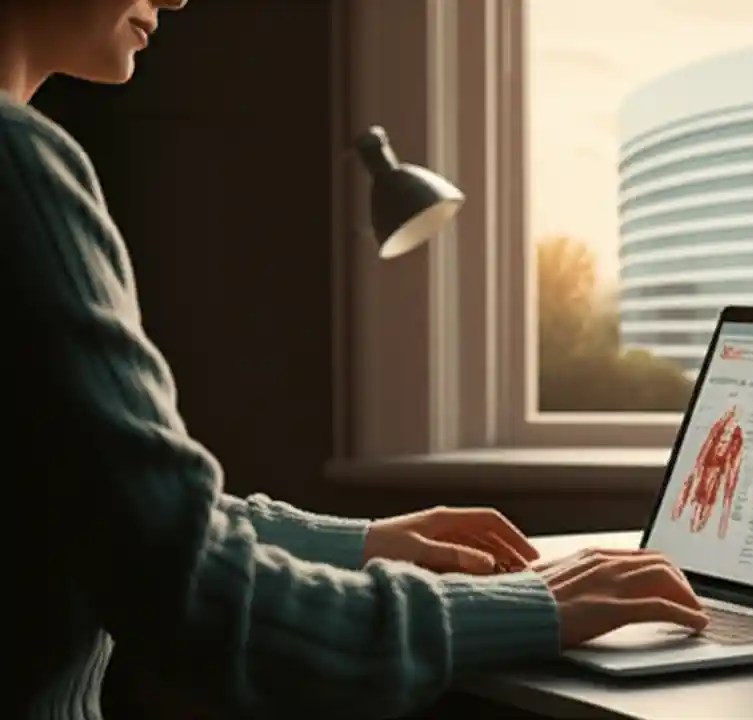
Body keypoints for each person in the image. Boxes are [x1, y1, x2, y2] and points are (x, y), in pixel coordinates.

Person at [0, 2, 709, 719]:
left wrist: (365, 543)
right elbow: (195, 594)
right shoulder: (16, 165)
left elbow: (124, 519)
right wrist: (531, 605)